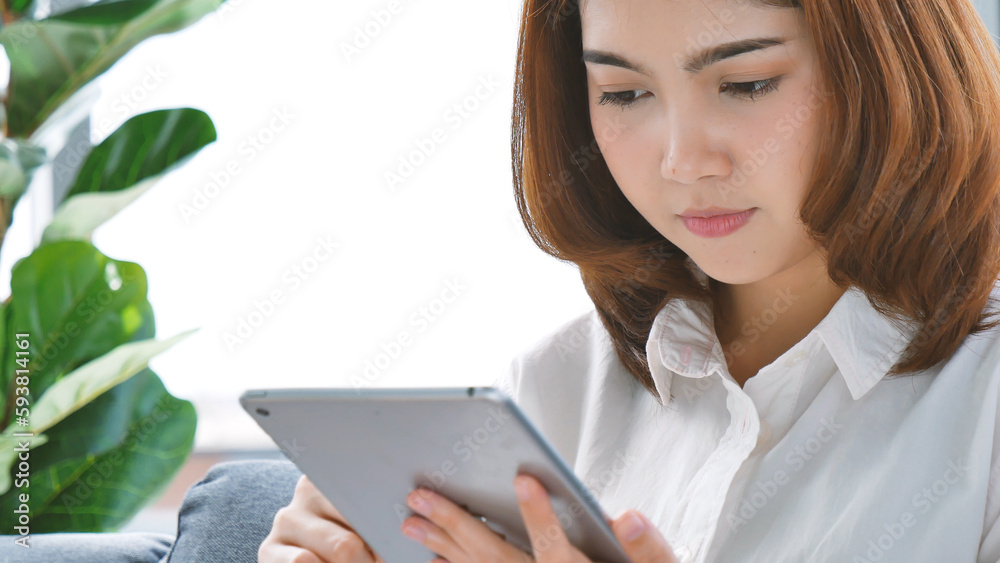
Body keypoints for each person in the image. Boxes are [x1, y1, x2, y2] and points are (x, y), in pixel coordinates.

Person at [4, 0, 1000, 561]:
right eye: (621, 92)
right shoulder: (555, 385)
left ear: (890, 68)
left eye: (744, 83)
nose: (679, 157)